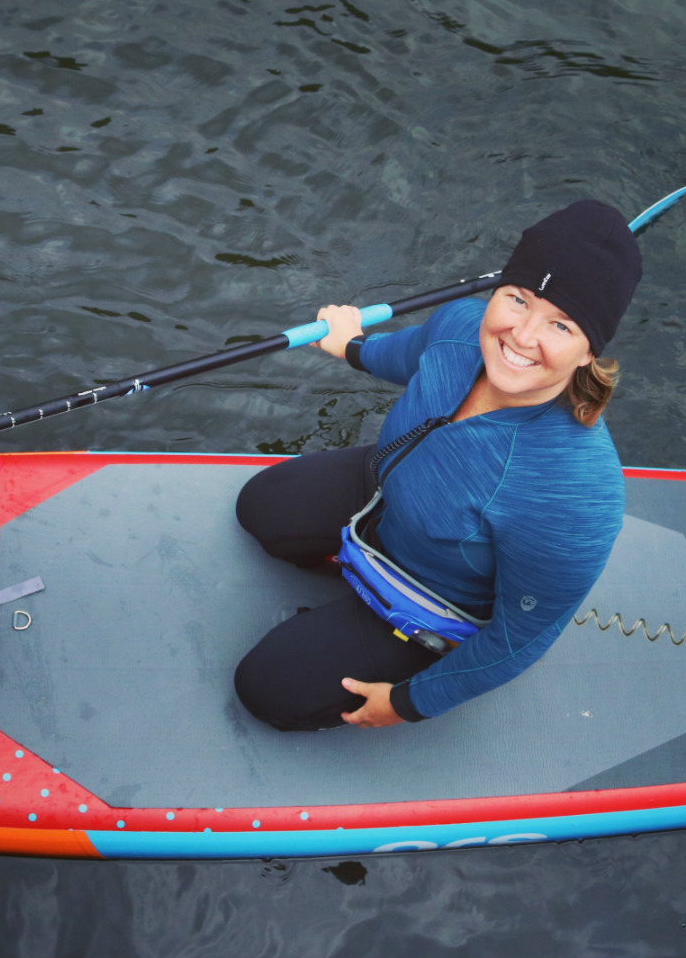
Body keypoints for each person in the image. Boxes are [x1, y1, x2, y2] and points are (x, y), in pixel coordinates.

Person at [233, 200, 640, 729]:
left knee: (265, 688)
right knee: (260, 508)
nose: (521, 336)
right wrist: (351, 345)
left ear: (590, 352)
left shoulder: (576, 493)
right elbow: (404, 354)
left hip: (430, 596)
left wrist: (408, 704)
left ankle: (378, 630)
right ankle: (346, 567)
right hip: (385, 492)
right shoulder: (462, 326)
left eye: (561, 326)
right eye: (517, 299)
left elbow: (521, 638)